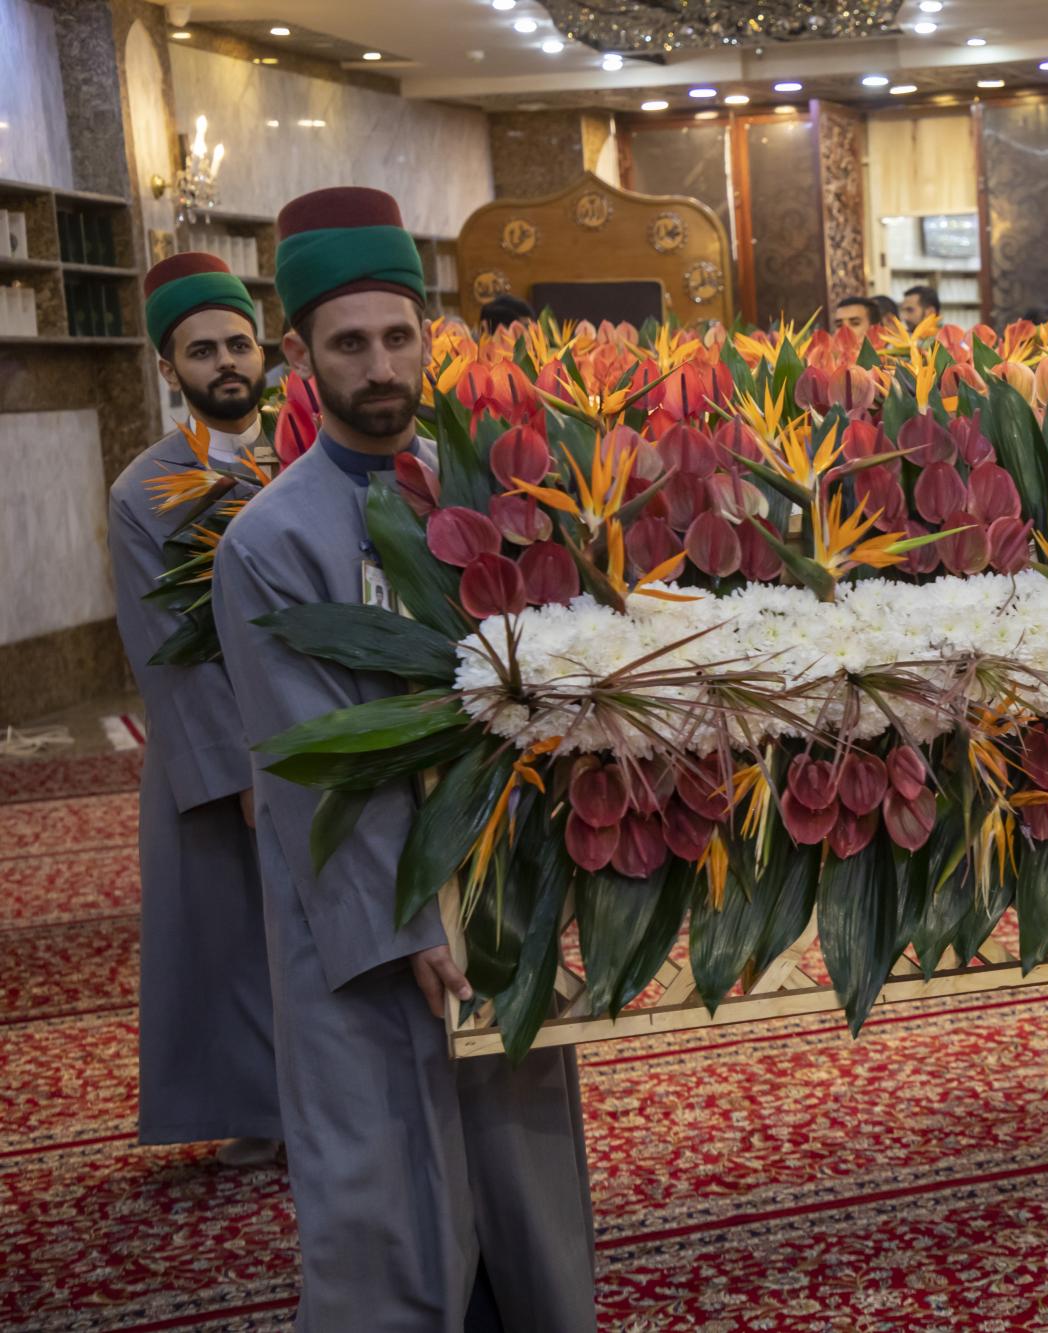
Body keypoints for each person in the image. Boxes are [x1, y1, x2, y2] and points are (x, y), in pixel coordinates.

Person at [211, 187, 596, 1329]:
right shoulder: (268, 540)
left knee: (517, 1151)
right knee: (386, 1166)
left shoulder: (483, 494)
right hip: (365, 909)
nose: (379, 366)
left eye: (396, 337)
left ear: (429, 338)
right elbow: (306, 763)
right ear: (300, 356)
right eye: (348, 344)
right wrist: (412, 916)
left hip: (504, 886)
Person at [107, 253, 282, 1168]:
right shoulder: (143, 492)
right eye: (202, 349)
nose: (226, 362)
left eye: (238, 344)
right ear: (171, 370)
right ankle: (258, 1106)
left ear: (266, 354)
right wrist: (239, 769)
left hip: (334, 722)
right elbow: (162, 649)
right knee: (231, 929)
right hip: (223, 749)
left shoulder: (308, 450)